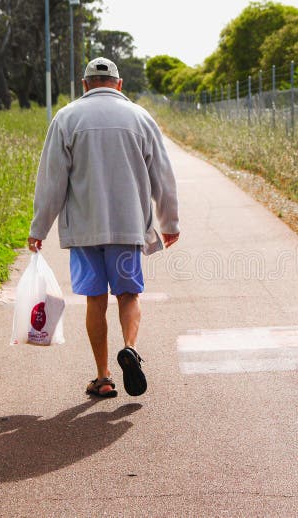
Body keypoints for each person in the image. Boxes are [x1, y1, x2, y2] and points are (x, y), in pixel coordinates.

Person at [28, 57, 179, 398]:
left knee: (95, 300)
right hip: (127, 228)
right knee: (128, 295)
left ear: (84, 85)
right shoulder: (141, 118)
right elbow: (163, 177)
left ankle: (104, 376)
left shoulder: (66, 118)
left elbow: (52, 181)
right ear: (119, 84)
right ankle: (129, 348)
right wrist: (169, 221)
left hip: (84, 231)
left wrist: (39, 228)